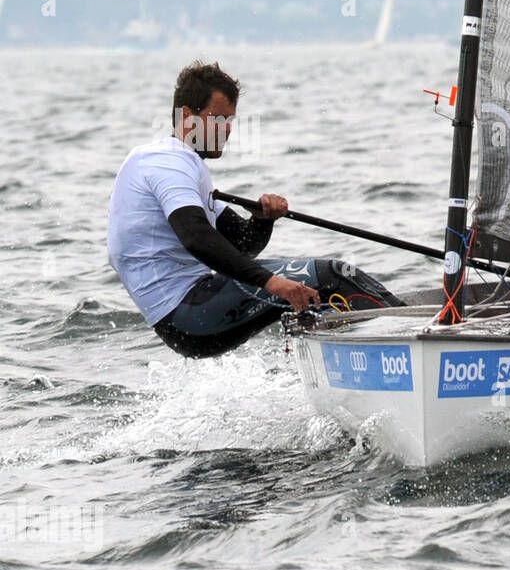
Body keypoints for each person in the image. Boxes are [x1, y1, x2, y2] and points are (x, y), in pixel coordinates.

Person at [108, 61, 403, 358]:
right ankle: (411, 339)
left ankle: (383, 341)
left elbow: (242, 246)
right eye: (218, 119)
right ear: (186, 116)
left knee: (323, 292)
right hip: (190, 312)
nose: (227, 130)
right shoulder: (168, 162)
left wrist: (262, 220)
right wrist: (273, 283)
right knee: (333, 275)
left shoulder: (178, 166)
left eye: (231, 120)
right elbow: (195, 236)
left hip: (189, 318)